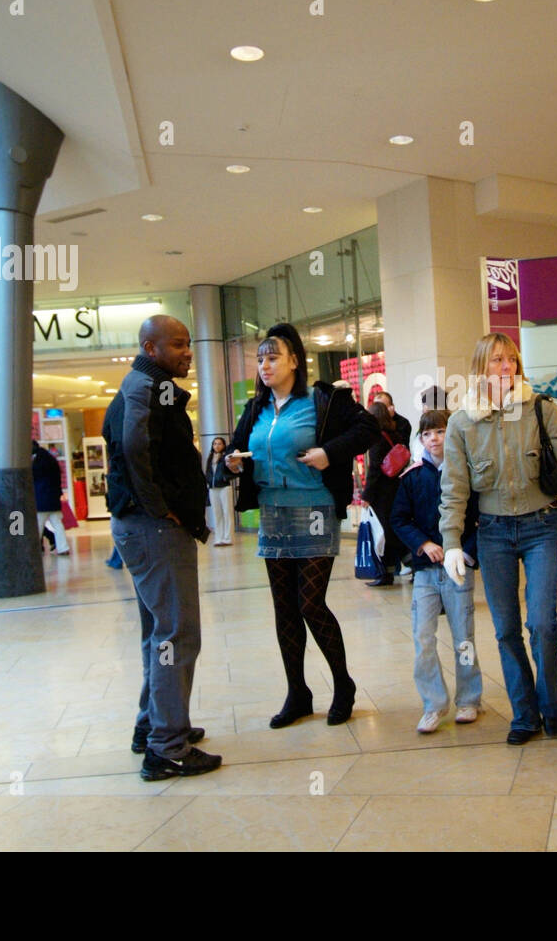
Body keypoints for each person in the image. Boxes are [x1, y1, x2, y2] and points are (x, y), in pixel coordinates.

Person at [440, 332, 557, 745]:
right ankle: (524, 714)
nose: (506, 367)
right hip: (492, 534)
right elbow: (454, 487)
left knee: (543, 623)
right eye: (496, 361)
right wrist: (451, 540)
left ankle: (552, 706)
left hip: (541, 526)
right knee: (506, 629)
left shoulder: (541, 409)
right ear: (480, 369)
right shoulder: (462, 423)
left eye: (511, 360)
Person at [223, 322, 378, 728]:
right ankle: (298, 693)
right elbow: (234, 451)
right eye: (259, 359)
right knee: (284, 608)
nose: (264, 365)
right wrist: (233, 463)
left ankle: (343, 685)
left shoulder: (323, 398)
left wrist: (330, 451)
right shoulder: (255, 409)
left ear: (295, 360)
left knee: (310, 602)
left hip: (313, 509)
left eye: (272, 357)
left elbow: (369, 429)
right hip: (273, 512)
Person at [103, 314, 221, 780]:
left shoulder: (149, 385)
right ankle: (167, 747)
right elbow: (133, 448)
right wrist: (158, 507)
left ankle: (153, 725)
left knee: (160, 631)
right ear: (151, 348)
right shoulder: (142, 388)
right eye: (178, 344)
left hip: (146, 529)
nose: (187, 351)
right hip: (152, 531)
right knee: (177, 633)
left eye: (188, 343)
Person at [391, 409, 482, 733]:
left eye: (440, 432)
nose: (434, 439)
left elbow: (480, 518)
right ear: (421, 440)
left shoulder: (466, 474)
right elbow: (400, 519)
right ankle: (433, 703)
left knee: (463, 637)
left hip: (458, 569)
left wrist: (467, 554)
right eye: (427, 434)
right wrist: (424, 544)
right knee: (422, 636)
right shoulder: (412, 477)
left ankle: (470, 698)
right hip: (426, 572)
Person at [359, 400, 408, 587]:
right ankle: (389, 571)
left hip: (382, 493)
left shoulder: (376, 438)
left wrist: (367, 495)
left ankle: (390, 572)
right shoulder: (394, 435)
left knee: (385, 532)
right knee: (391, 531)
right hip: (396, 487)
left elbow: (374, 470)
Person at [32, 440, 70, 555]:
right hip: (53, 499)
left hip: (40, 499)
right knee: (58, 524)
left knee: (38, 525)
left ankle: (34, 550)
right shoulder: (51, 459)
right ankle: (63, 548)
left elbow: (33, 479)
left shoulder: (36, 463)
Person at [205, 437, 235, 547]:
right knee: (217, 513)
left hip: (224, 487)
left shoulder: (226, 457)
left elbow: (234, 470)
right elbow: (208, 472)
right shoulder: (210, 458)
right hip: (213, 488)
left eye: (219, 444)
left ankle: (228, 538)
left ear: (223, 445)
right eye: (215, 444)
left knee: (227, 512)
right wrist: (208, 481)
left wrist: (225, 478)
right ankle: (219, 537)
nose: (217, 446)